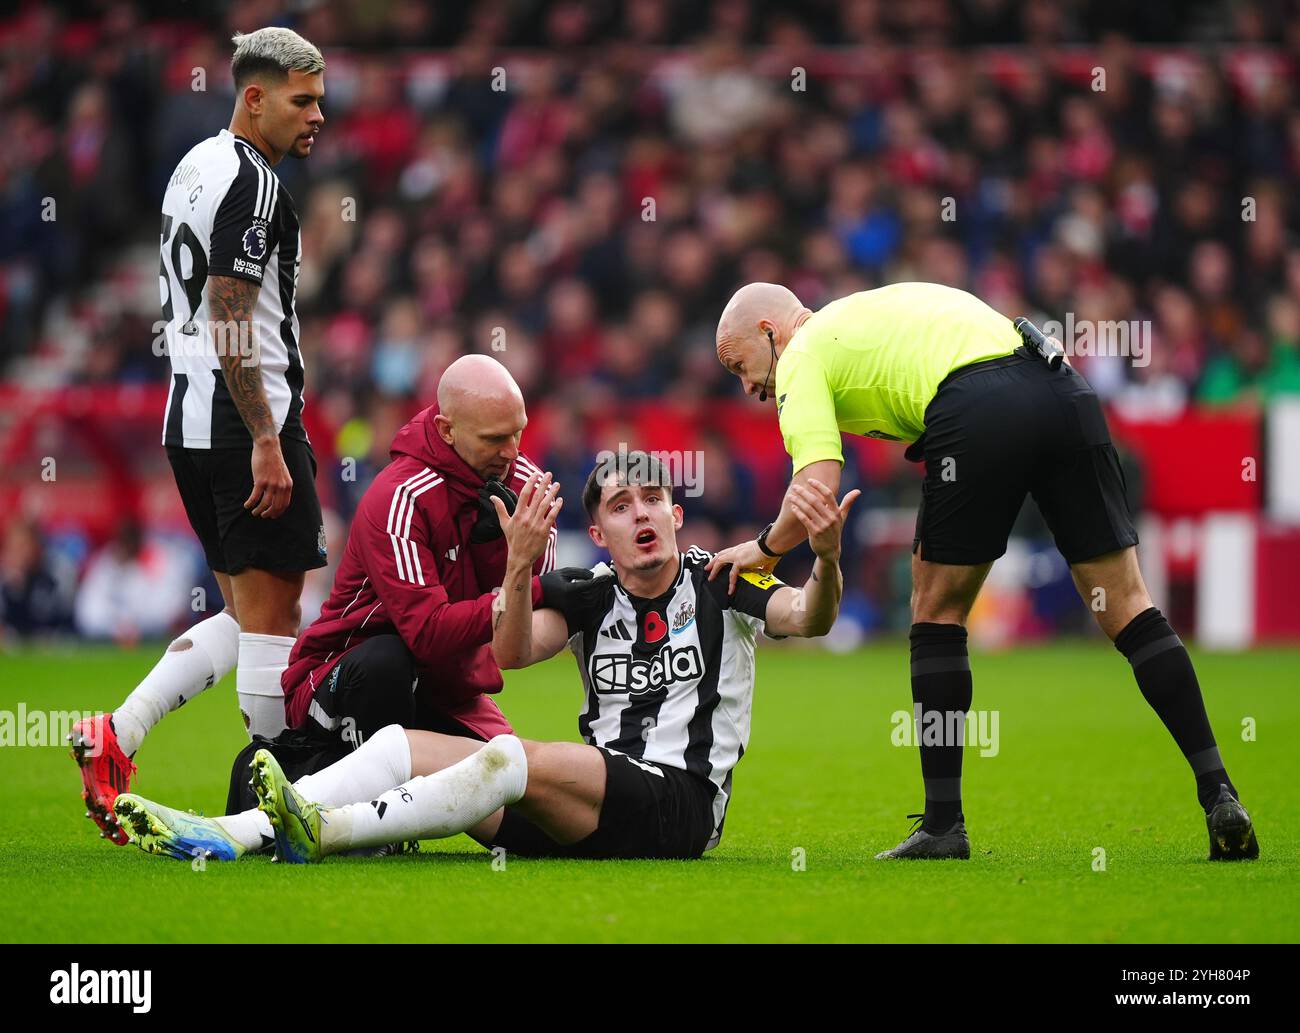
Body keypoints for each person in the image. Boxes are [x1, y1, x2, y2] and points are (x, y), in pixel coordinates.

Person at [709, 281, 1258, 862]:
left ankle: (944, 825)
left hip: (979, 406)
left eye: (741, 366)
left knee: (937, 611)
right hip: (1062, 388)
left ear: (771, 333)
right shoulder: (870, 312)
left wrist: (763, 549)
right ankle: (1218, 789)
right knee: (1127, 604)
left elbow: (816, 488)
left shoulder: (802, 353)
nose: (748, 389)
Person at [112, 451, 855, 862]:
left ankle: (325, 830)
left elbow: (809, 615)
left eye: (653, 498)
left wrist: (823, 560)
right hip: (579, 810)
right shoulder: (587, 592)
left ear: (677, 512)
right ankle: (235, 832)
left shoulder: (722, 578)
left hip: (680, 806)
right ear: (599, 532)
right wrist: (518, 564)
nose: (643, 514)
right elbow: (508, 652)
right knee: (405, 744)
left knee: (504, 758)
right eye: (621, 506)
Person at [71, 28, 330, 845]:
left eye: (320, 99)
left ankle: (120, 731)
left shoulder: (194, 163)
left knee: (244, 607)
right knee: (273, 618)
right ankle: (272, 794)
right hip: (243, 422)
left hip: (186, 418)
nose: (317, 116)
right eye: (301, 100)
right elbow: (227, 309)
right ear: (254, 97)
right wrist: (266, 436)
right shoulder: (253, 184)